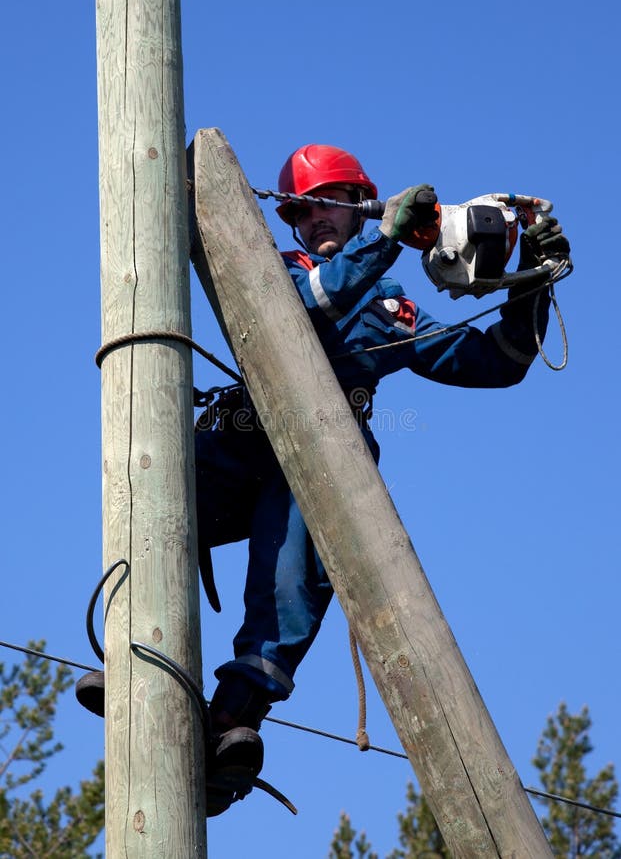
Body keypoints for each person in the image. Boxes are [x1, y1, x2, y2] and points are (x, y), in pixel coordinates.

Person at [77, 144, 570, 815]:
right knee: (157, 489)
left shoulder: (387, 307)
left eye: (329, 203)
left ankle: (229, 728)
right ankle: (139, 660)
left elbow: (493, 361)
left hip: (324, 446)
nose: (315, 220)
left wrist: (531, 280)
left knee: (289, 584)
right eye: (302, 211)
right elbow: (297, 309)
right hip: (249, 436)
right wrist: (388, 247)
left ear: (359, 205)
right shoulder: (277, 268)